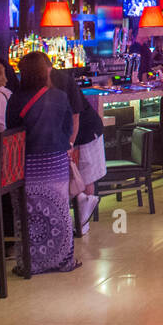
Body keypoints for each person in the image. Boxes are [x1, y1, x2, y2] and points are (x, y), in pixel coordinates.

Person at [6, 51, 80, 273]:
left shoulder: (16, 98)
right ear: (45, 71)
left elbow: (11, 131)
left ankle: (30, 264)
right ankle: (63, 259)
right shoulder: (59, 96)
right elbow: (68, 128)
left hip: (26, 164)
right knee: (59, 210)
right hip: (55, 161)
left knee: (26, 213)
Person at [52, 65, 105, 236]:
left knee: (86, 175)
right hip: (74, 132)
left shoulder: (62, 81)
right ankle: (81, 215)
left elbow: (75, 116)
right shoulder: (54, 82)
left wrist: (70, 142)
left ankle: (83, 223)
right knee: (77, 176)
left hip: (88, 130)